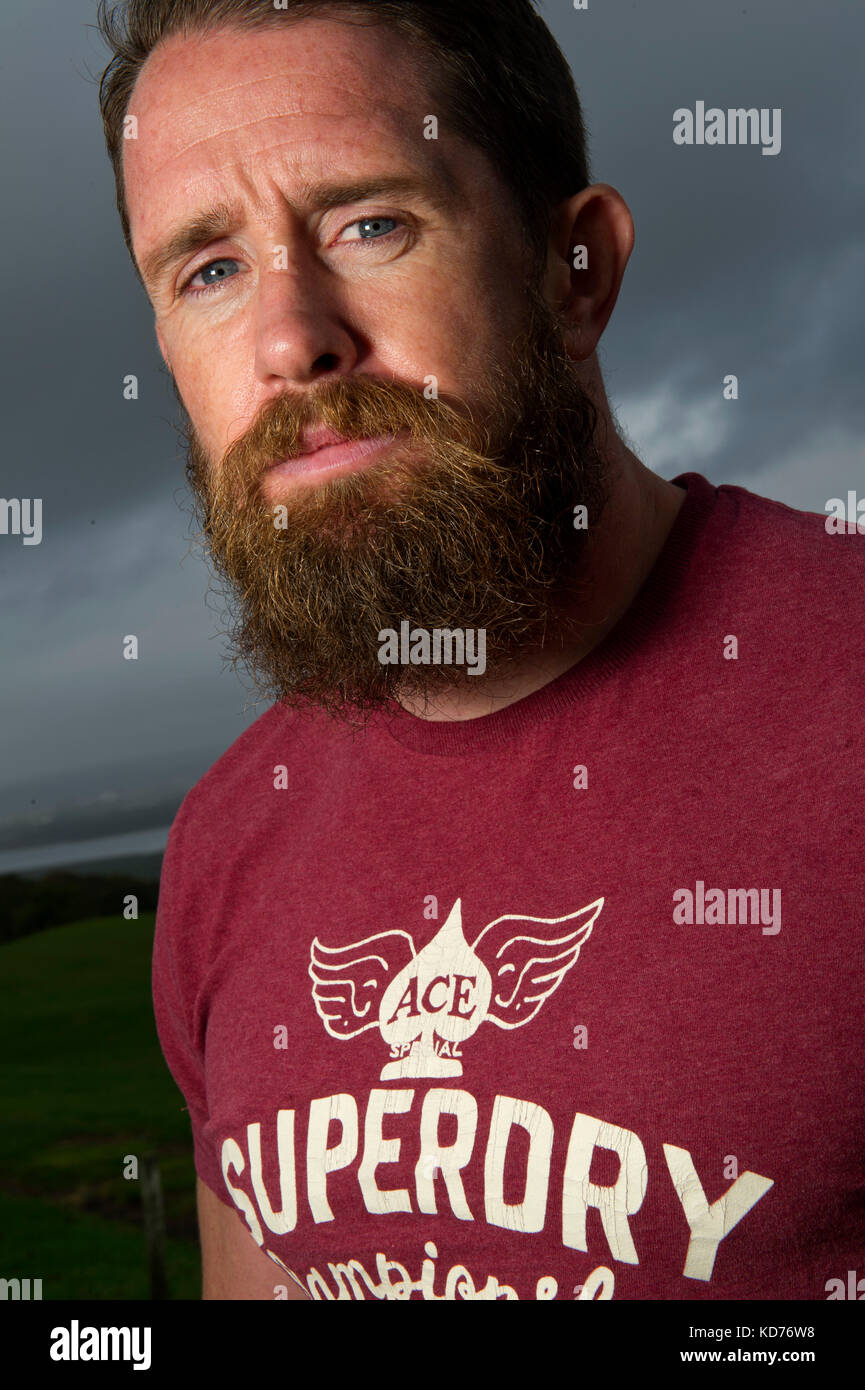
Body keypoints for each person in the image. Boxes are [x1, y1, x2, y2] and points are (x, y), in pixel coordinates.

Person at [96, 0, 865, 1301]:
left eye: (369, 223)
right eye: (208, 268)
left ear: (576, 272)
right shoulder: (229, 837)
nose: (291, 341)